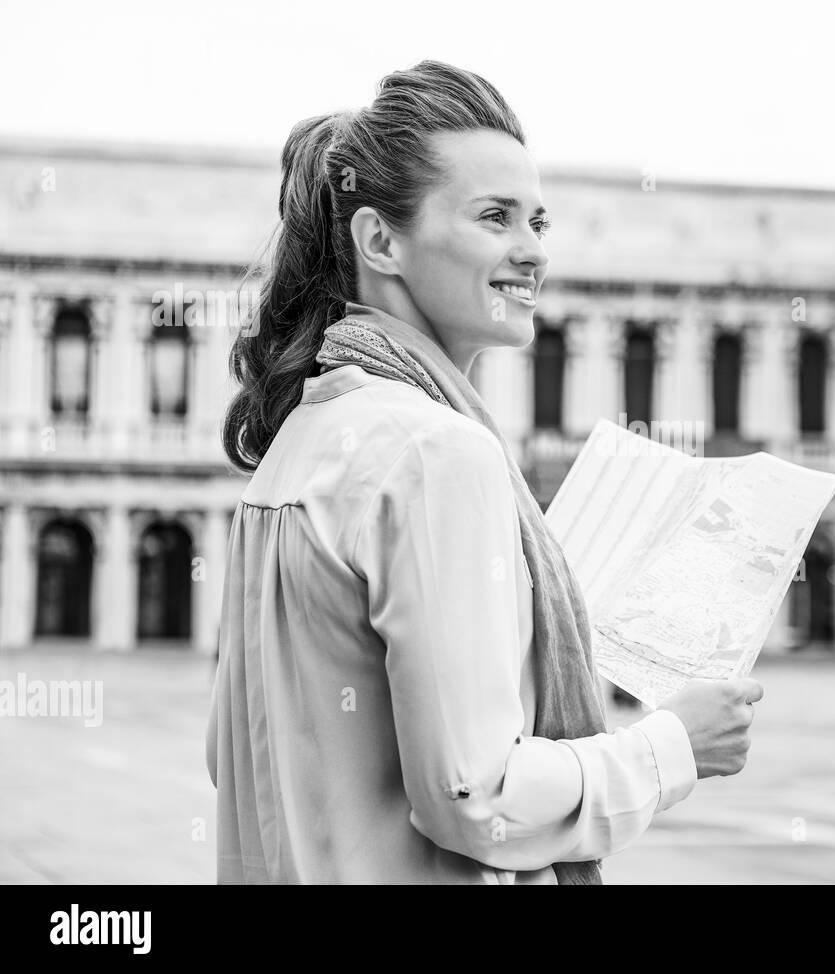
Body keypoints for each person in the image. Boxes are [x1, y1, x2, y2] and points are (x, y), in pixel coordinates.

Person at [205, 60, 762, 885]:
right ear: (381, 242)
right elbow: (476, 795)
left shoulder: (297, 442)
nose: (532, 252)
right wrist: (674, 744)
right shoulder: (437, 452)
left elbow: (233, 757)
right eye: (494, 217)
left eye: (539, 222)